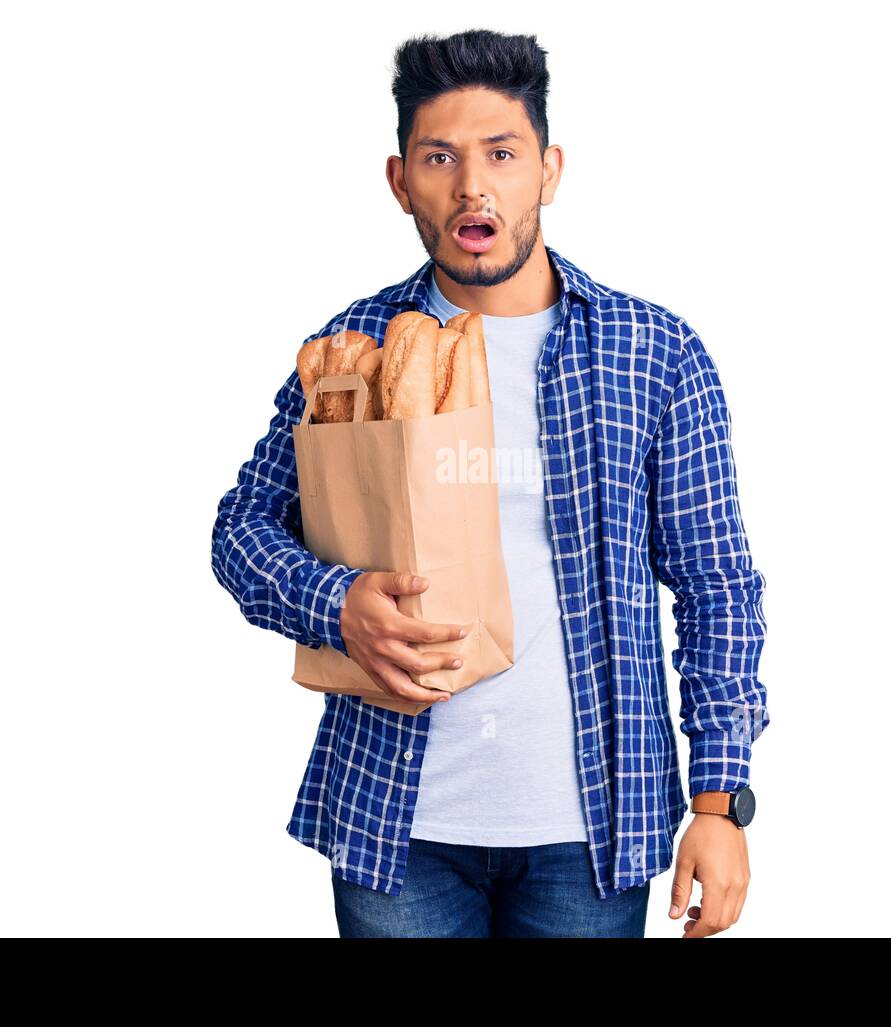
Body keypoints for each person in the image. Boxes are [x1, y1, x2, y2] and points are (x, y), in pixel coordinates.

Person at [210, 29, 769, 938]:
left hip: (592, 828)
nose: (474, 185)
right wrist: (336, 600)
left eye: (502, 154)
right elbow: (241, 529)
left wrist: (719, 800)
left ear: (547, 170)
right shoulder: (354, 350)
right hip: (396, 825)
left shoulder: (655, 354)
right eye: (441, 157)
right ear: (401, 183)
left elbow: (717, 587)